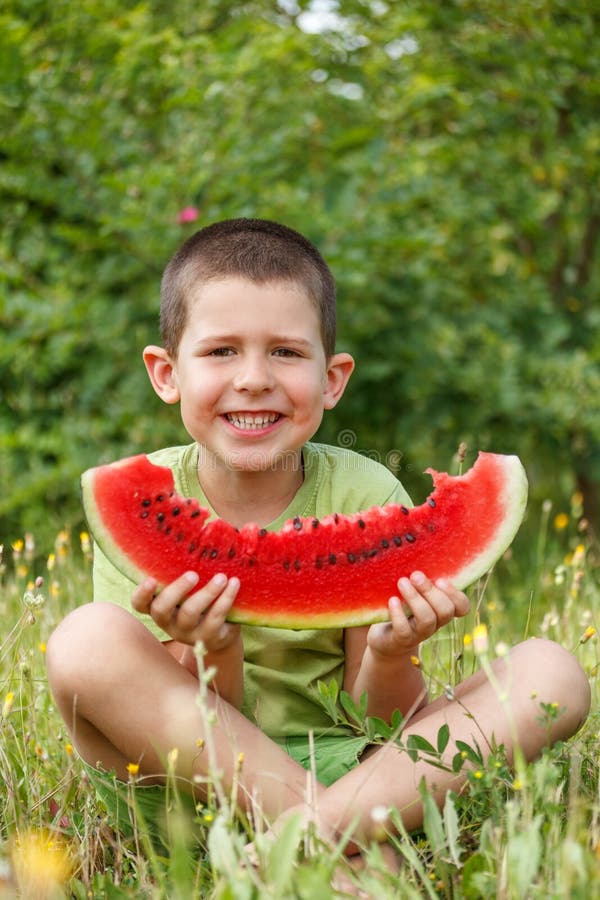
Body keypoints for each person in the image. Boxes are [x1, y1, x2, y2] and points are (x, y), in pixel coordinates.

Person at [46, 218, 590, 864]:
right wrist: (216, 646)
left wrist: (392, 654)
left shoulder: (368, 490)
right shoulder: (145, 501)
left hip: (357, 773)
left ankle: (306, 841)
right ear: (166, 374)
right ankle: (332, 843)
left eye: (285, 352)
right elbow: (182, 721)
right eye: (222, 352)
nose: (253, 378)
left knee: (553, 674)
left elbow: (382, 726)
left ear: (332, 380)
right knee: (84, 642)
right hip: (190, 790)